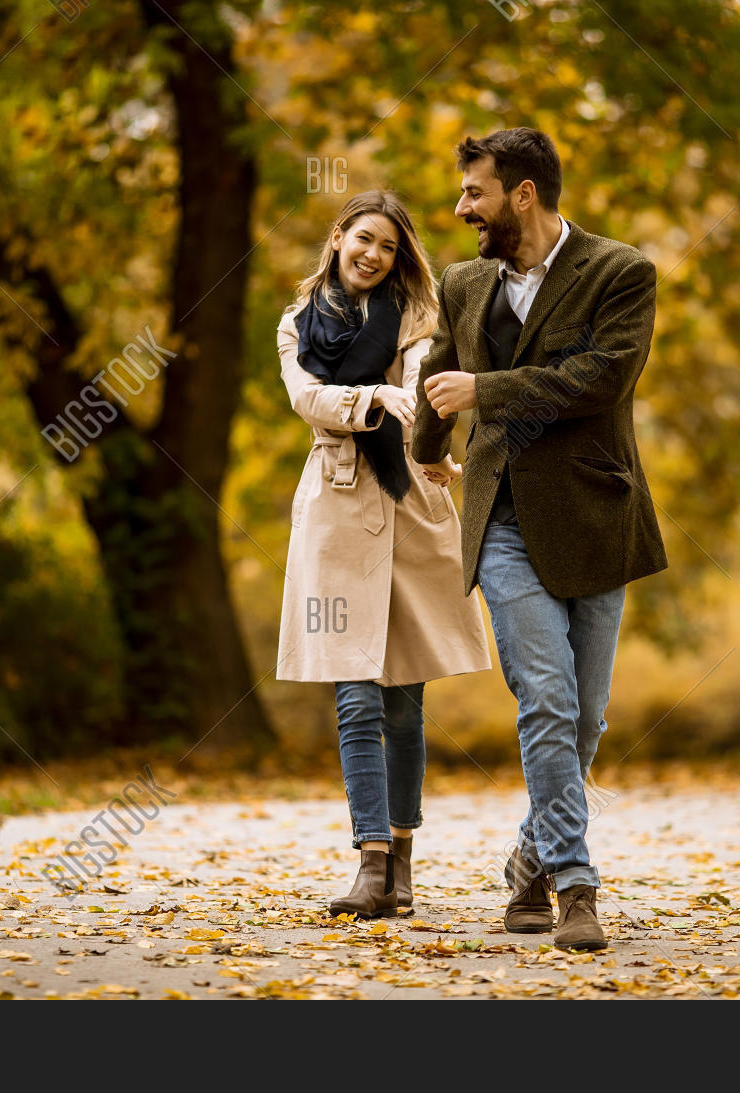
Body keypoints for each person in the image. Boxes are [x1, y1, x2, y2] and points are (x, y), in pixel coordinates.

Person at [410, 128, 667, 950]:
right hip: (503, 524)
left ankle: (528, 860)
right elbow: (437, 380)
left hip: (595, 517)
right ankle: (577, 886)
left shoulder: (620, 272)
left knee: (585, 722)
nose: (461, 209)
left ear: (524, 193)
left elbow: (601, 380)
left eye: (475, 193)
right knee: (548, 700)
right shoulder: (462, 282)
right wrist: (423, 456)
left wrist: (486, 389)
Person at [277, 189, 492, 920]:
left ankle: (401, 861)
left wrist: (434, 440)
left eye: (389, 246)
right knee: (354, 690)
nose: (373, 254)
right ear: (338, 238)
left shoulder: (423, 320)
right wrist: (372, 399)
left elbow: (429, 401)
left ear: (400, 259)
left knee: (404, 700)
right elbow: (306, 398)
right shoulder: (296, 324)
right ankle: (369, 860)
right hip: (337, 509)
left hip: (410, 506)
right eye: (363, 239)